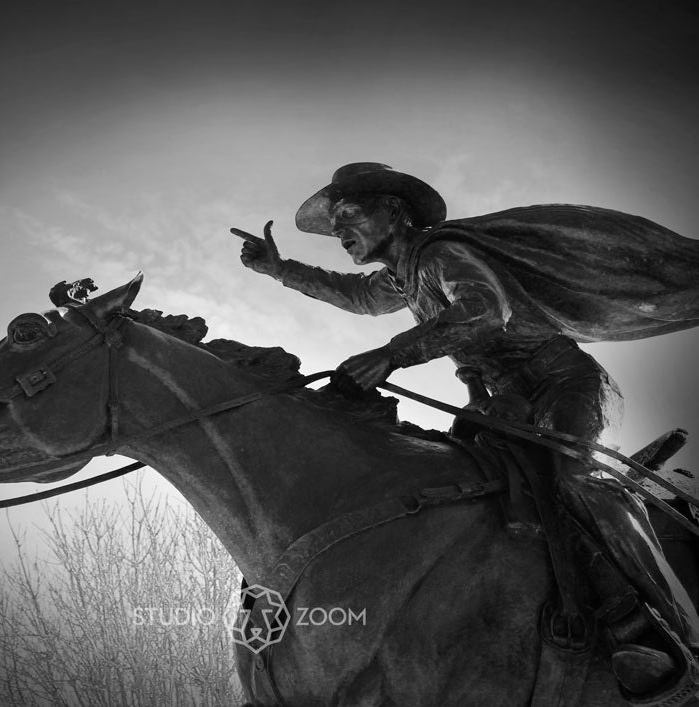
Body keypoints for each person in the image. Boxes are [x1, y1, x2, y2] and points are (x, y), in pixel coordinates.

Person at [232, 162, 699, 705]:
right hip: (500, 404)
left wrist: (391, 355)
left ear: (394, 211)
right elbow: (357, 297)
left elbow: (482, 309)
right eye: (335, 222)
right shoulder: (403, 277)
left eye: (349, 214)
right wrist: (278, 269)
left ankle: (658, 631)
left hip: (559, 385)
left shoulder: (440, 254)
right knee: (470, 489)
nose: (339, 231)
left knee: (574, 479)